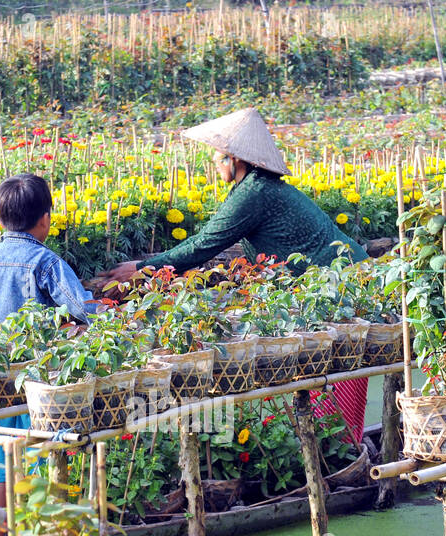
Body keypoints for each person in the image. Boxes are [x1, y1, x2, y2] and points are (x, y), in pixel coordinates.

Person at [104, 107, 371, 444]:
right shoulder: (256, 188)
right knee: (329, 366)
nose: (215, 163)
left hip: (340, 281)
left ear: (235, 159)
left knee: (339, 367)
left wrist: (143, 269)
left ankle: (337, 444)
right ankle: (331, 442)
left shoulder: (255, 193)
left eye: (218, 156)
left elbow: (205, 244)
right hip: (335, 280)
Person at [0, 173, 97, 536]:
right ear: (45, 219)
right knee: (38, 458)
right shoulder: (45, 262)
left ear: (0, 217)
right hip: (37, 383)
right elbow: (83, 309)